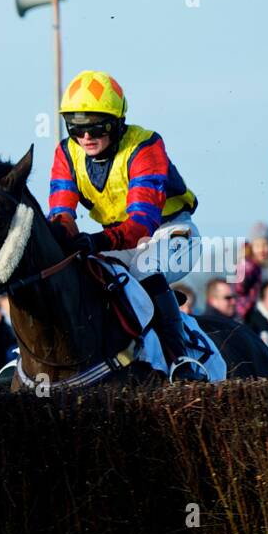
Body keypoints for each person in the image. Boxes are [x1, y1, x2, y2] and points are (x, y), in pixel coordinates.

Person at [46, 70, 203, 379]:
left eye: (96, 126)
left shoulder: (146, 146)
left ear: (117, 122)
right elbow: (61, 212)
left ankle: (181, 362)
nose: (86, 137)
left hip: (170, 232)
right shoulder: (66, 152)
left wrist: (97, 241)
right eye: (76, 127)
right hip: (116, 240)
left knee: (145, 266)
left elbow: (142, 224)